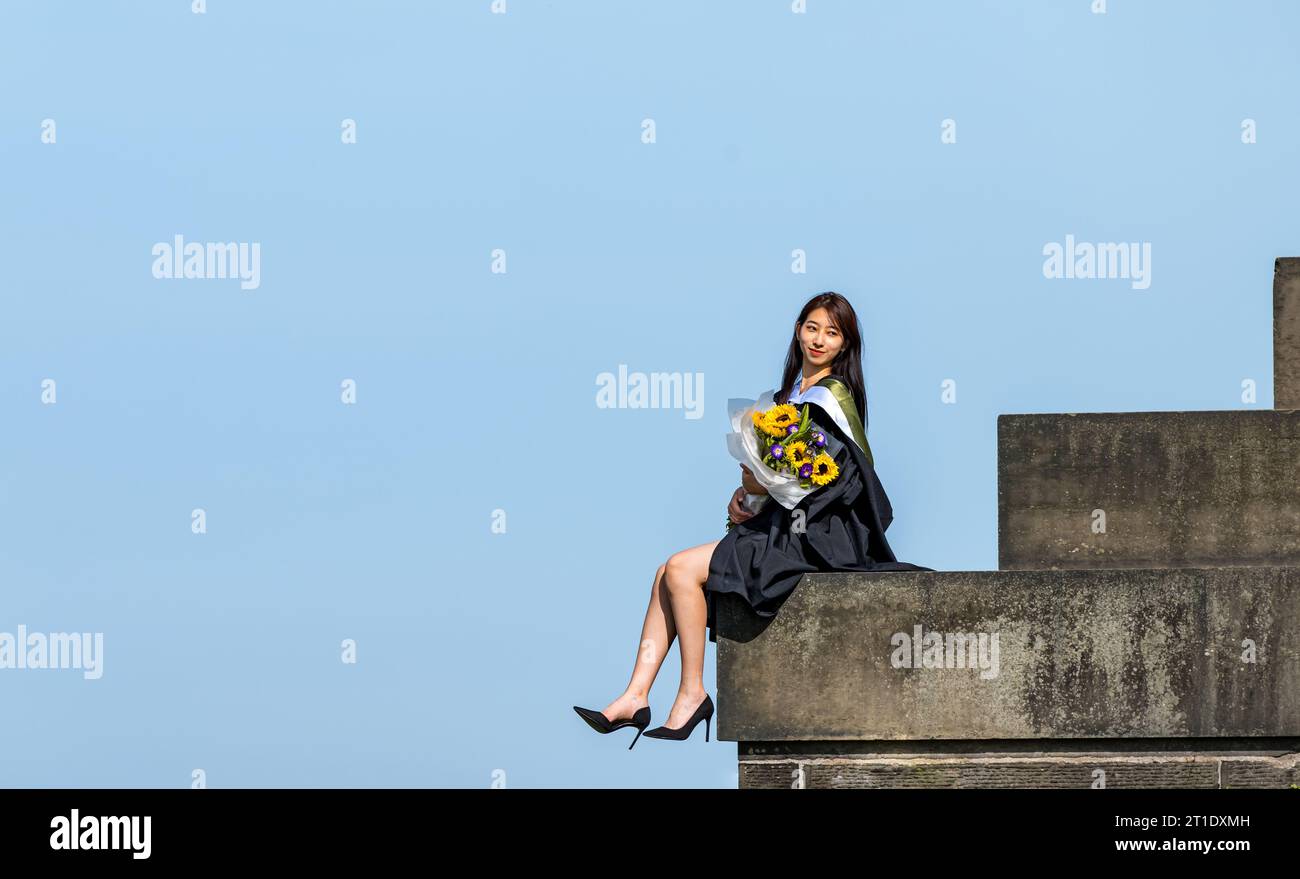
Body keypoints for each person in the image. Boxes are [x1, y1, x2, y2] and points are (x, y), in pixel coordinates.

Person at [572, 292, 933, 748]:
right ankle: (634, 695)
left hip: (815, 537)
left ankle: (692, 693)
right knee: (665, 572)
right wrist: (746, 496)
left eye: (832, 332)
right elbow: (776, 479)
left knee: (682, 568)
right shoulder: (785, 399)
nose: (819, 339)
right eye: (812, 327)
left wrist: (767, 487)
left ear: (846, 345)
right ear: (798, 330)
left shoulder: (835, 400)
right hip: (777, 526)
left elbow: (838, 481)